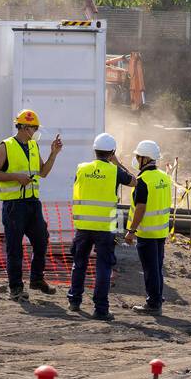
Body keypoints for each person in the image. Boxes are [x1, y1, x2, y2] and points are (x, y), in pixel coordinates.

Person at [0, 109, 62, 301]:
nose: (36, 131)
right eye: (34, 127)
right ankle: (16, 287)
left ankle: (37, 279)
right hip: (14, 205)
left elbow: (43, 172)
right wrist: (16, 178)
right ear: (24, 127)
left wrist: (54, 153)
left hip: (32, 203)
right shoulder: (6, 146)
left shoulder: (33, 146)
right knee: (15, 247)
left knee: (41, 240)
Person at [67, 132, 134, 321]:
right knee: (103, 267)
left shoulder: (82, 168)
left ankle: (74, 301)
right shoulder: (114, 171)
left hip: (83, 226)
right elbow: (134, 182)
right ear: (111, 152)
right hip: (105, 228)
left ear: (94, 150)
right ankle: (101, 309)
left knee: (79, 264)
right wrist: (117, 163)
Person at [123, 139, 172, 315]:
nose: (135, 159)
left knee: (150, 269)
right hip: (161, 231)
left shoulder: (143, 181)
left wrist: (131, 231)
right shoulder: (164, 178)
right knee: (157, 266)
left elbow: (141, 208)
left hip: (147, 233)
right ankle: (157, 296)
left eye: (137, 156)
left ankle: (153, 304)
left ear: (144, 158)